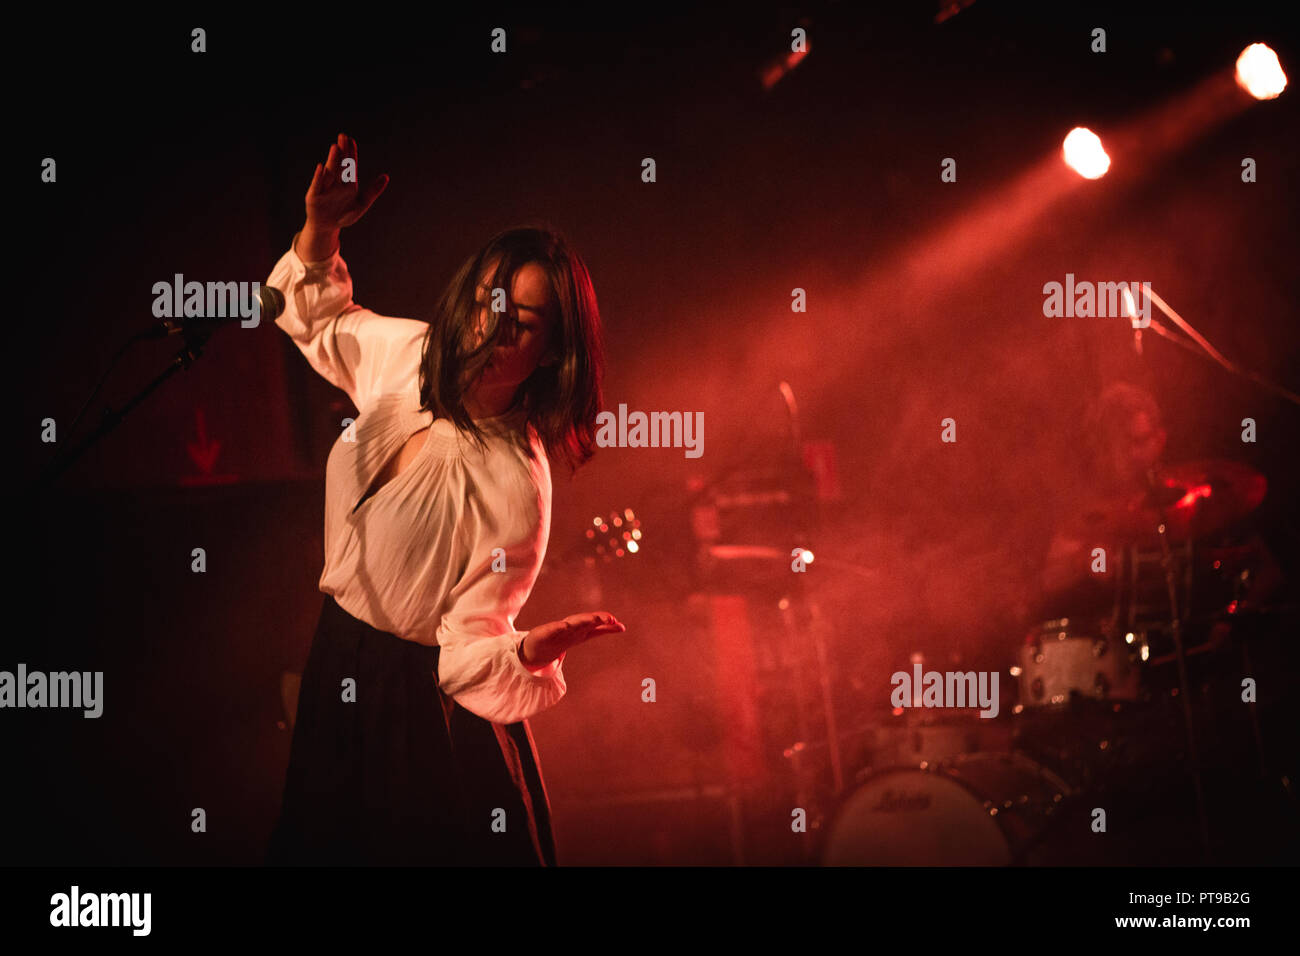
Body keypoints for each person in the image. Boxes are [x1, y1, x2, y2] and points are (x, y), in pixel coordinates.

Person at [265, 133, 625, 866]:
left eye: (521, 323)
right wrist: (322, 230)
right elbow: (324, 323)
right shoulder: (410, 357)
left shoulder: (515, 484)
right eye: (491, 301)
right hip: (337, 657)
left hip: (414, 710)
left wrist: (525, 650)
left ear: (552, 353)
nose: (493, 328)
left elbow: (464, 652)